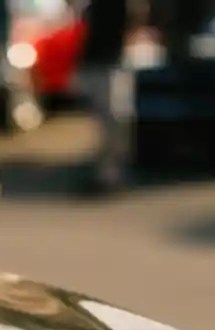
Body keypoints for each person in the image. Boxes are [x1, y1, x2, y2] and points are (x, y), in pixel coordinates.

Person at [76, 0, 144, 195]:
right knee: (111, 121)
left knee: (115, 120)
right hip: (102, 62)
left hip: (111, 62)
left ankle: (110, 174)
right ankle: (107, 174)